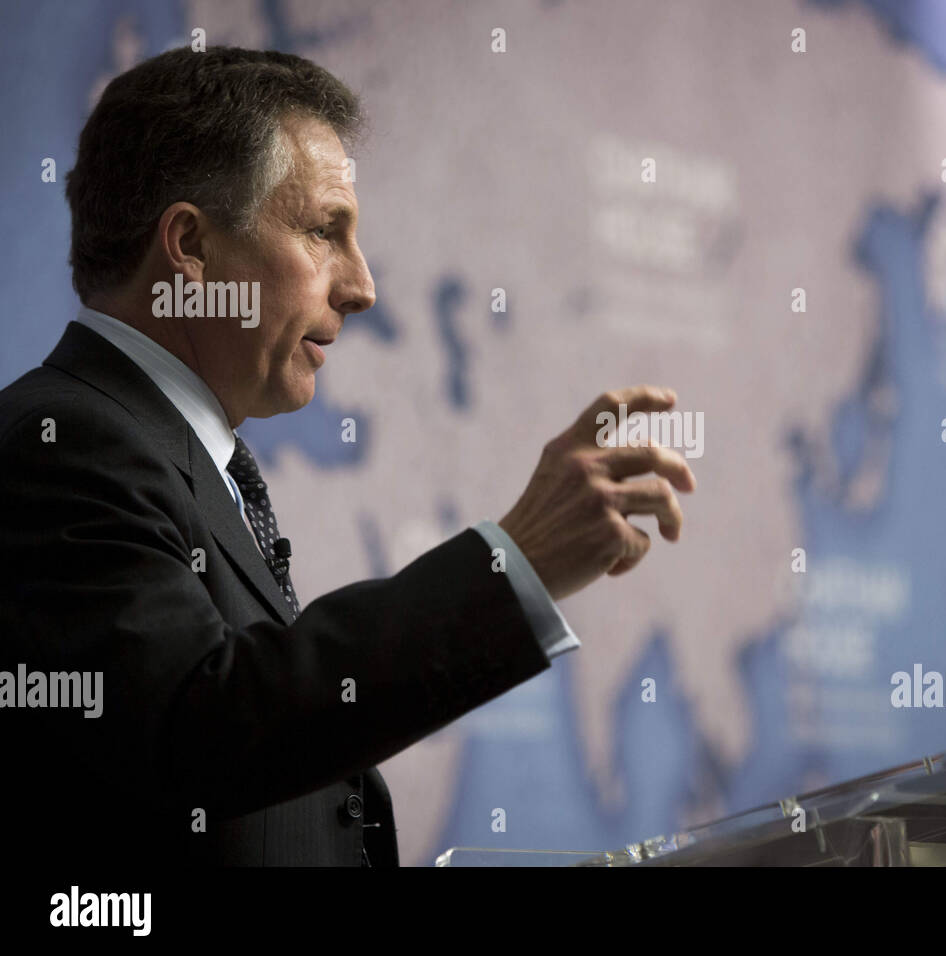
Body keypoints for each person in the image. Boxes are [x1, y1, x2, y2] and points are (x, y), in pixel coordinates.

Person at [0, 46, 694, 866]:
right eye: (324, 231)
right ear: (189, 247)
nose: (362, 286)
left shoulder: (176, 455)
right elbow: (196, 725)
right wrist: (518, 564)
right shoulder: (63, 444)